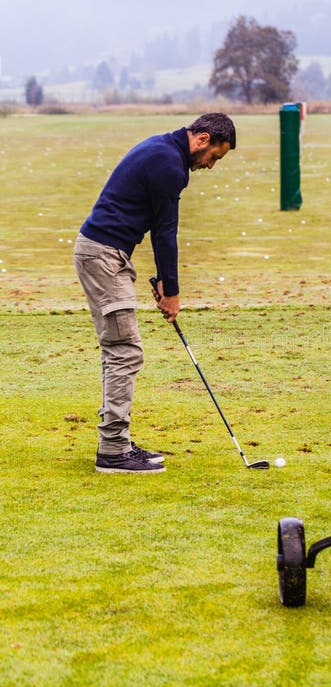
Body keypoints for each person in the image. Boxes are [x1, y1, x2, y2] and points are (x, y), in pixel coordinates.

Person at [74, 112, 236, 474]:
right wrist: (172, 292)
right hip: (103, 256)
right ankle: (113, 451)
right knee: (125, 351)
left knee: (119, 350)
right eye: (215, 157)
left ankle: (115, 442)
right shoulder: (169, 164)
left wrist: (164, 282)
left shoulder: (164, 150)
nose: (211, 166)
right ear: (203, 139)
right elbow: (165, 232)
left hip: (106, 254)